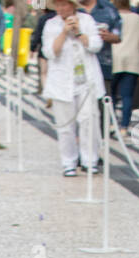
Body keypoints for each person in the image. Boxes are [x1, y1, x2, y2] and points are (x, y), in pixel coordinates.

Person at [41, 0, 104, 174]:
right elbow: (49, 52)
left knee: (89, 121)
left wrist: (78, 32)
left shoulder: (87, 20)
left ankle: (89, 160)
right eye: (58, 6)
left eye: (65, 5)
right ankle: (68, 162)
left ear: (73, 6)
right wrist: (63, 33)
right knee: (65, 125)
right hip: (62, 82)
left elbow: (96, 45)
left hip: (86, 81)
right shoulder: (50, 24)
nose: (61, 9)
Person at [110, 0, 139, 129]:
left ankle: (110, 122)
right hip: (132, 59)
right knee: (127, 96)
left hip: (113, 58)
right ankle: (124, 126)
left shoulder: (112, 16)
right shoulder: (137, 18)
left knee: (110, 95)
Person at [78, 0, 120, 88]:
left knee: (103, 100)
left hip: (102, 68)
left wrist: (109, 36)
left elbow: (118, 37)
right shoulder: (70, 7)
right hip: (75, 69)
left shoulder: (109, 9)